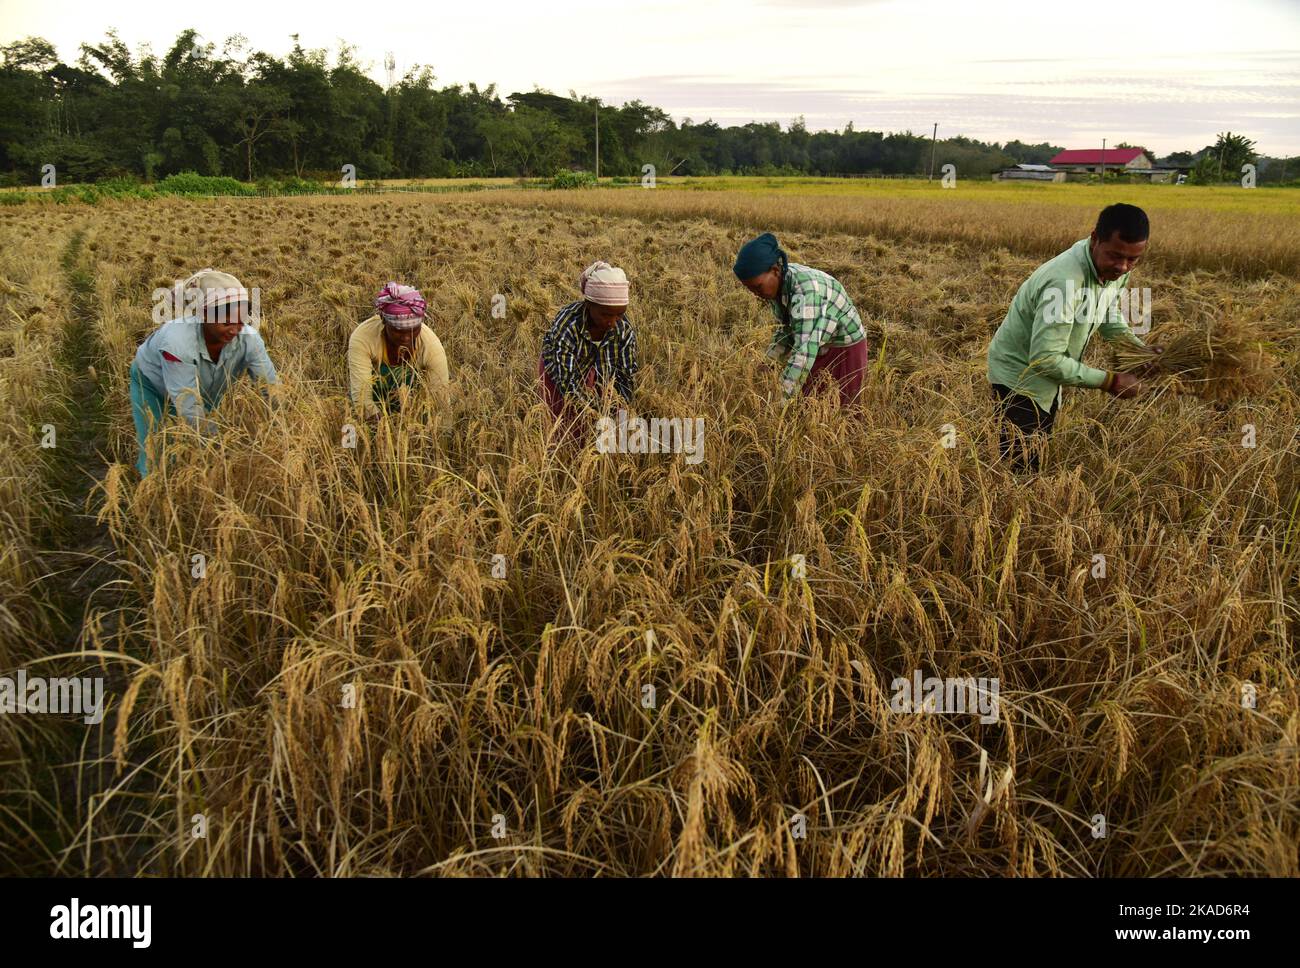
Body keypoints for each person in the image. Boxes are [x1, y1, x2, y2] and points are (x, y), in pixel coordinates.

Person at [986, 203, 1158, 472]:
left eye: (1133, 259)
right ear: (1094, 239)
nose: (1123, 267)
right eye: (1115, 256)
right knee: (1021, 467)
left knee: (1037, 447)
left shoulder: (1113, 271)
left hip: (1048, 377)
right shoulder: (1064, 284)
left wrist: (1139, 351)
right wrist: (1110, 381)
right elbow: (1045, 360)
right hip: (1019, 378)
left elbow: (1107, 313)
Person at [129, 267, 278, 477]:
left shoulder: (249, 339)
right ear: (204, 315)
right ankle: (151, 494)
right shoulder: (177, 343)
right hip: (152, 385)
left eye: (240, 321)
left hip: (204, 388)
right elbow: (188, 406)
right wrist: (221, 448)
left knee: (197, 447)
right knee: (157, 447)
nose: (234, 330)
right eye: (226, 322)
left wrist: (282, 425)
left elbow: (270, 387)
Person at [733, 232, 869, 407]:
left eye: (757, 286)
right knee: (810, 402)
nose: (755, 293)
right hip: (819, 342)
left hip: (843, 348)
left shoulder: (806, 292)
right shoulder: (781, 284)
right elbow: (786, 331)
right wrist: (769, 363)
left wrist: (779, 402)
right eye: (749, 288)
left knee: (840, 409)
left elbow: (803, 352)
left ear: (775, 270)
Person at [538, 261, 637, 442]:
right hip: (559, 370)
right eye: (606, 314)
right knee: (562, 418)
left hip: (596, 368)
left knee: (598, 426)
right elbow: (567, 381)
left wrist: (617, 407)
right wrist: (594, 411)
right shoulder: (568, 324)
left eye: (620, 314)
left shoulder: (624, 329)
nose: (613, 322)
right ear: (589, 305)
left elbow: (625, 375)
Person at [347, 282, 449, 421]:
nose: (407, 338)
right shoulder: (363, 337)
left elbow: (440, 400)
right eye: (398, 331)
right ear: (383, 320)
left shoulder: (431, 346)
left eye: (414, 330)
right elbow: (362, 397)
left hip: (414, 403)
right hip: (376, 398)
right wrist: (385, 433)